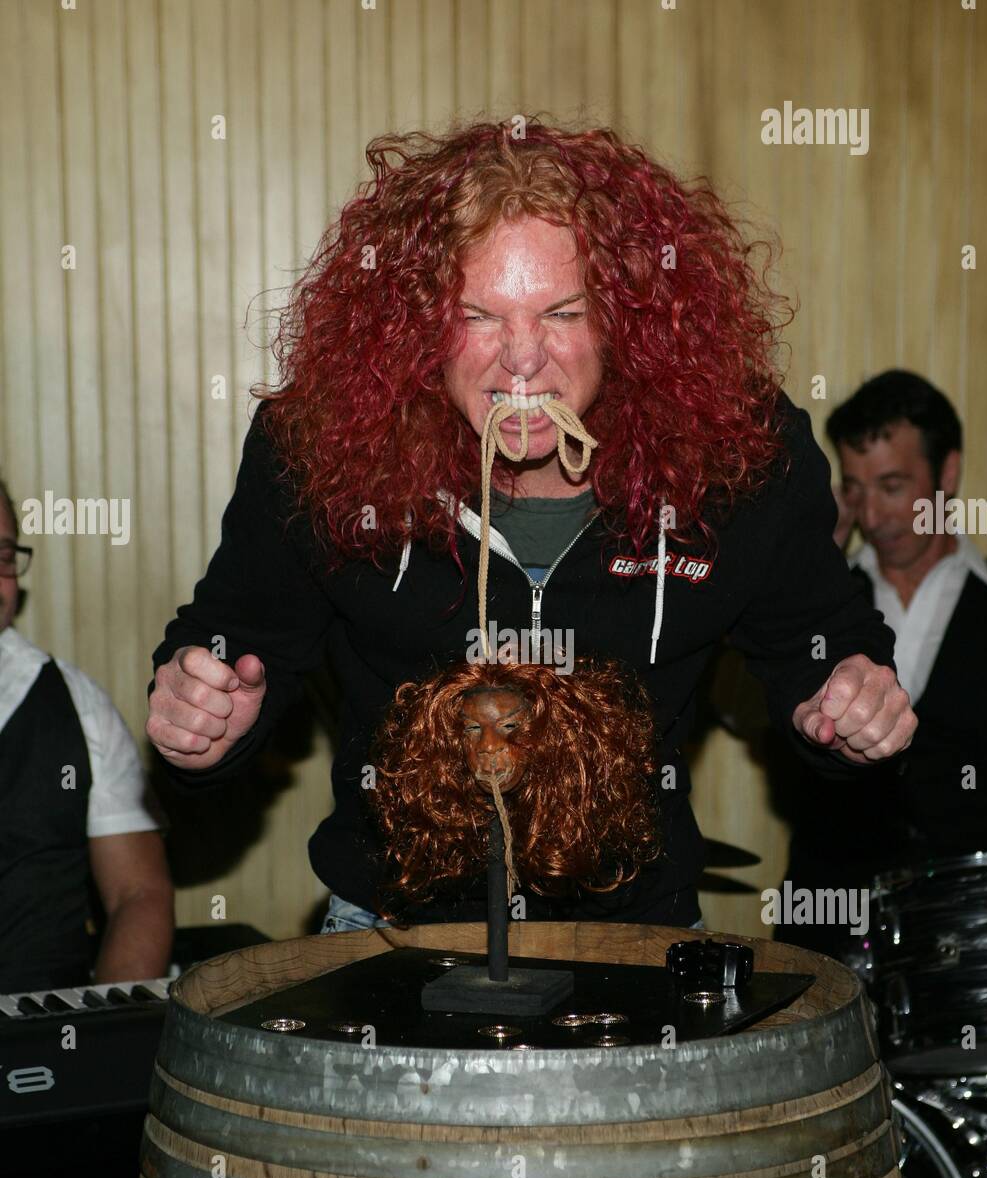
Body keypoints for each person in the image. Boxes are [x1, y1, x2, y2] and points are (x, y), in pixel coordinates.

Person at [146, 119, 915, 934]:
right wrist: (205, 720)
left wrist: (846, 710)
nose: (521, 359)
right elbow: (234, 640)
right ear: (412, 327)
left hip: (637, 939)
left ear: (628, 315)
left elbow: (819, 646)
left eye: (562, 312)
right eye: (476, 315)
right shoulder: (315, 450)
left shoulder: (741, 455)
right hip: (391, 934)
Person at [773, 369, 987, 954]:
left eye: (892, 485)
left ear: (948, 473)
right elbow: (745, 714)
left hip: (973, 938)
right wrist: (810, 561)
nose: (875, 514)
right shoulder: (813, 604)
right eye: (856, 489)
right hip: (826, 932)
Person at [0, 481, 175, 991]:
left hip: (38, 1044)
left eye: (4, 556)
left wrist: (99, 1036)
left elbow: (138, 895)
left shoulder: (77, 706)